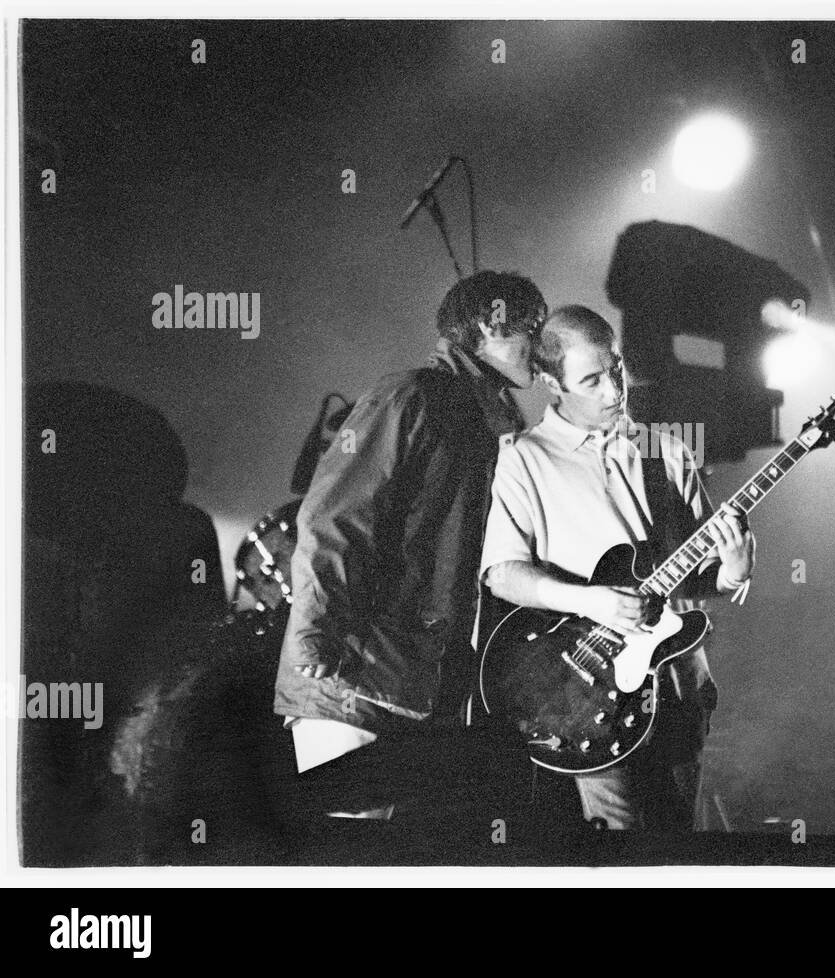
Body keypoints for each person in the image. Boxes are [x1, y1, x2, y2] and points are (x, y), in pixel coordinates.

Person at [272, 271, 546, 828]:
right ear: (490, 324)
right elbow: (333, 518)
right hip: (353, 676)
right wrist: (312, 634)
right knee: (354, 857)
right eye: (533, 331)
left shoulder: (487, 421)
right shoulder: (411, 395)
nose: (542, 352)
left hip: (423, 685)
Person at [479, 305, 755, 830]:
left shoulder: (669, 454)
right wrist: (590, 600)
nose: (613, 391)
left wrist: (734, 571)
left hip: (676, 680)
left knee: (675, 849)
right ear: (549, 382)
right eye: (590, 380)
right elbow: (502, 572)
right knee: (620, 845)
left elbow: (700, 573)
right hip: (585, 686)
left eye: (616, 369)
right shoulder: (523, 458)